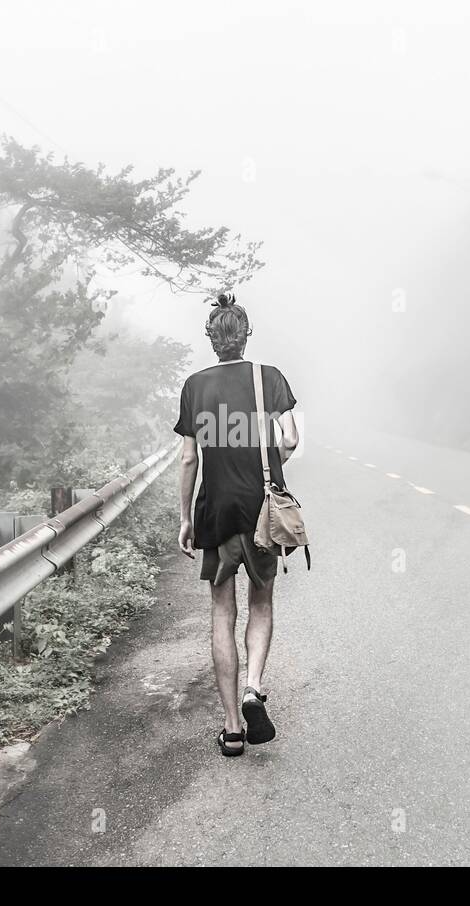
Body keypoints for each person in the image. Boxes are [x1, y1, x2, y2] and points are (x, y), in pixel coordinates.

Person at [173, 293, 300, 757]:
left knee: (221, 612)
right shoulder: (268, 378)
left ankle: (230, 729)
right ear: (245, 335)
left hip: (216, 510)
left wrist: (186, 517)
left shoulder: (195, 386)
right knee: (261, 602)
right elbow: (290, 438)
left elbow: (189, 457)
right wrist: (271, 464)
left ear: (212, 338)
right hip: (261, 508)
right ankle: (253, 687)